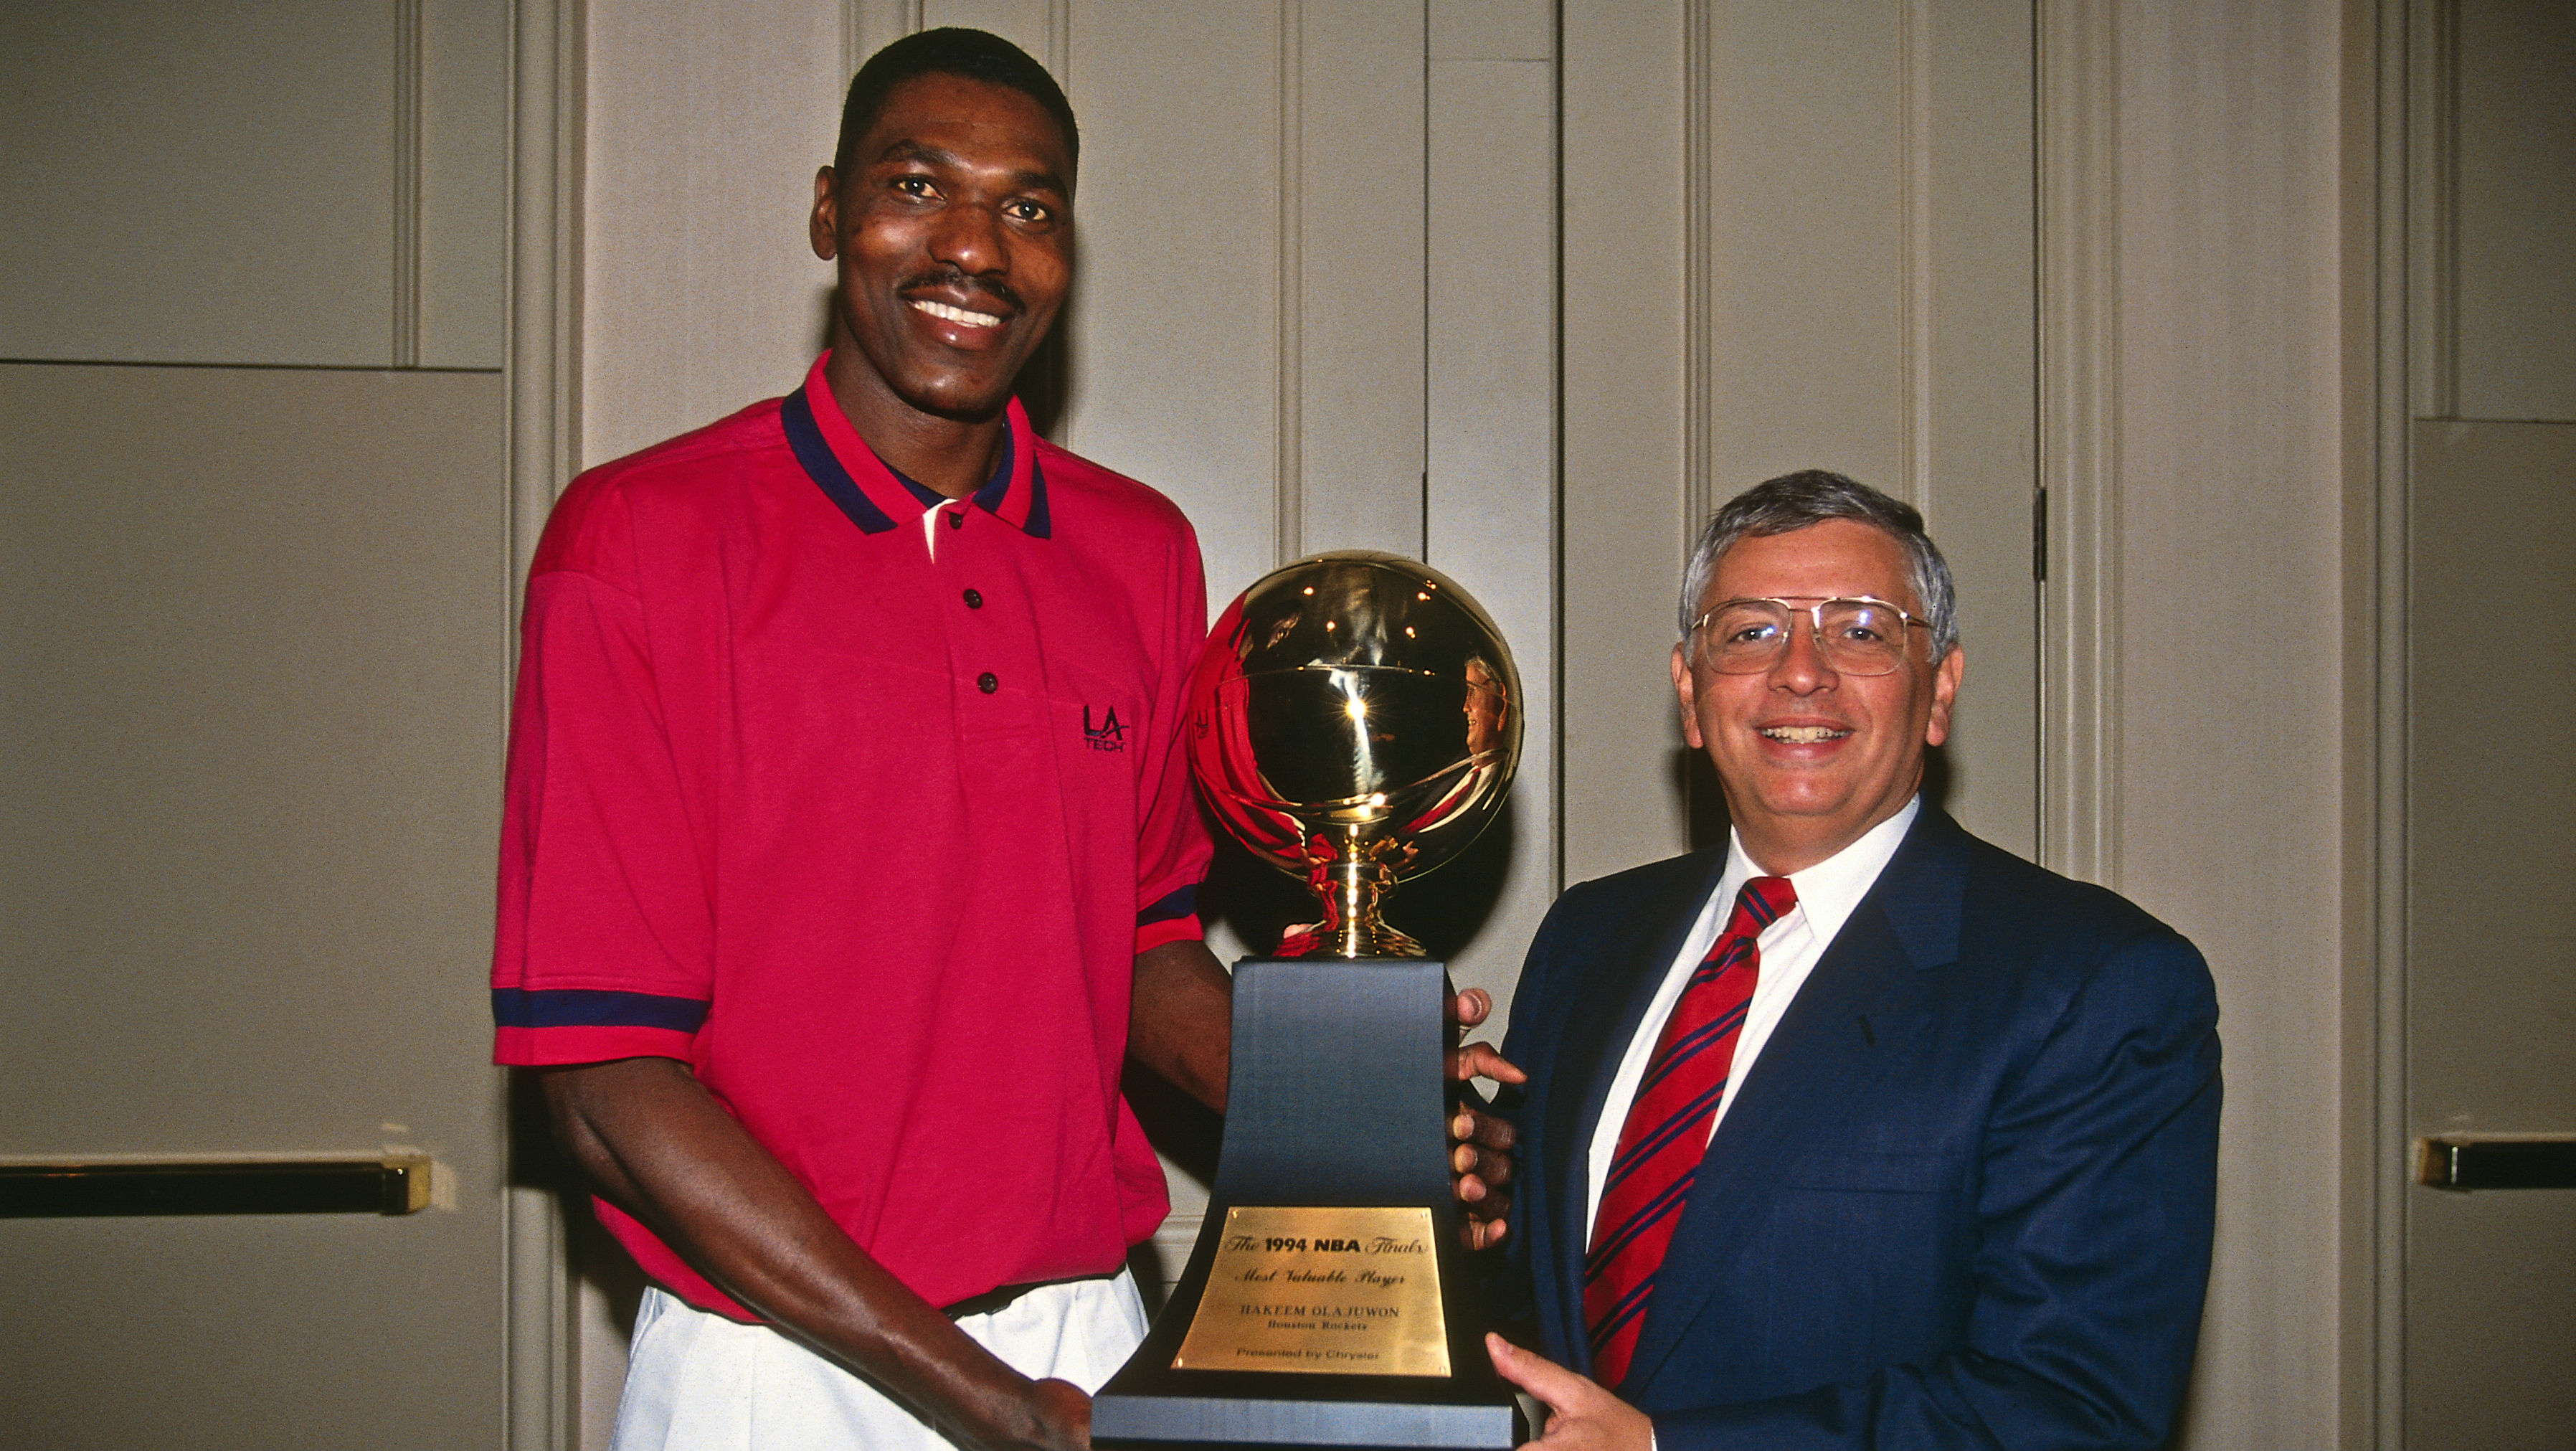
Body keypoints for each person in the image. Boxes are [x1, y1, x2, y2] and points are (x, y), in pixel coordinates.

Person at [490, 29, 1229, 1451]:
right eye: (916, 186)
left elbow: (1142, 945)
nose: (974, 249)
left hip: (1092, 1335)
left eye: (1028, 207)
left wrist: (1357, 1099)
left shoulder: (1137, 551)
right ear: (830, 213)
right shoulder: (638, 540)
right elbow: (605, 1073)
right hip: (772, 1359)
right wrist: (982, 1402)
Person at [1475, 471, 2221, 1450]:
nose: (1801, 672)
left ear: (1940, 690)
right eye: (1749, 631)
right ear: (1691, 695)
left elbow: (2074, 1410)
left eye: (1862, 630)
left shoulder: (2096, 986)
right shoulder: (1590, 936)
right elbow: (1550, 1293)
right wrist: (1439, 1182)